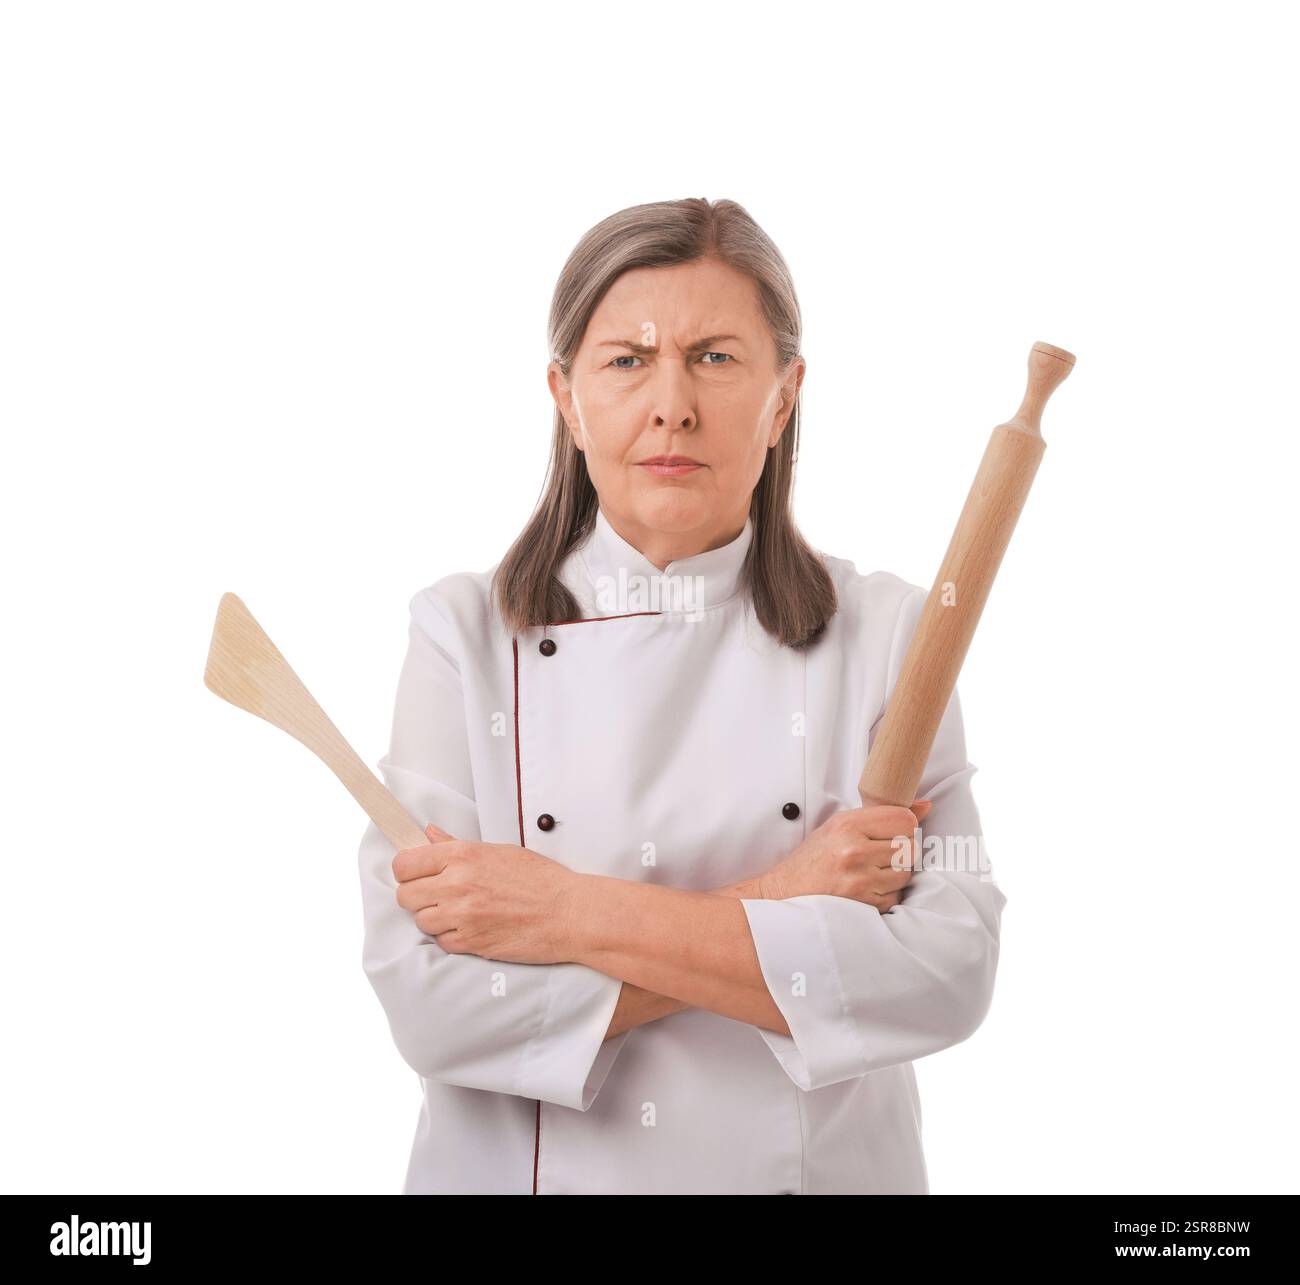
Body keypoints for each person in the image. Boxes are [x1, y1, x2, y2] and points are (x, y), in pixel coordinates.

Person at [356, 197, 1008, 1195]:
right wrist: (783, 899)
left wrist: (558, 910)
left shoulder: (890, 637)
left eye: (714, 357)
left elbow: (945, 975)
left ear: (782, 397)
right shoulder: (461, 640)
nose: (672, 405)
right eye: (627, 359)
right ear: (565, 397)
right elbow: (438, 1008)